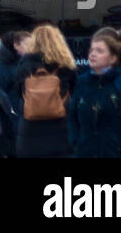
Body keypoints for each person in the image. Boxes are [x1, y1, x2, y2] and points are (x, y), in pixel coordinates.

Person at [69, 34, 121, 158]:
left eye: (99, 51)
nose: (92, 54)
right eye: (91, 50)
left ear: (112, 58)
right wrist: (75, 140)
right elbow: (73, 114)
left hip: (115, 152)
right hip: (85, 151)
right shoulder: (82, 81)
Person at [14, 24, 78, 158]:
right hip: (61, 134)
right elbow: (76, 94)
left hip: (29, 136)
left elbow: (18, 94)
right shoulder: (65, 66)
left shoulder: (23, 66)